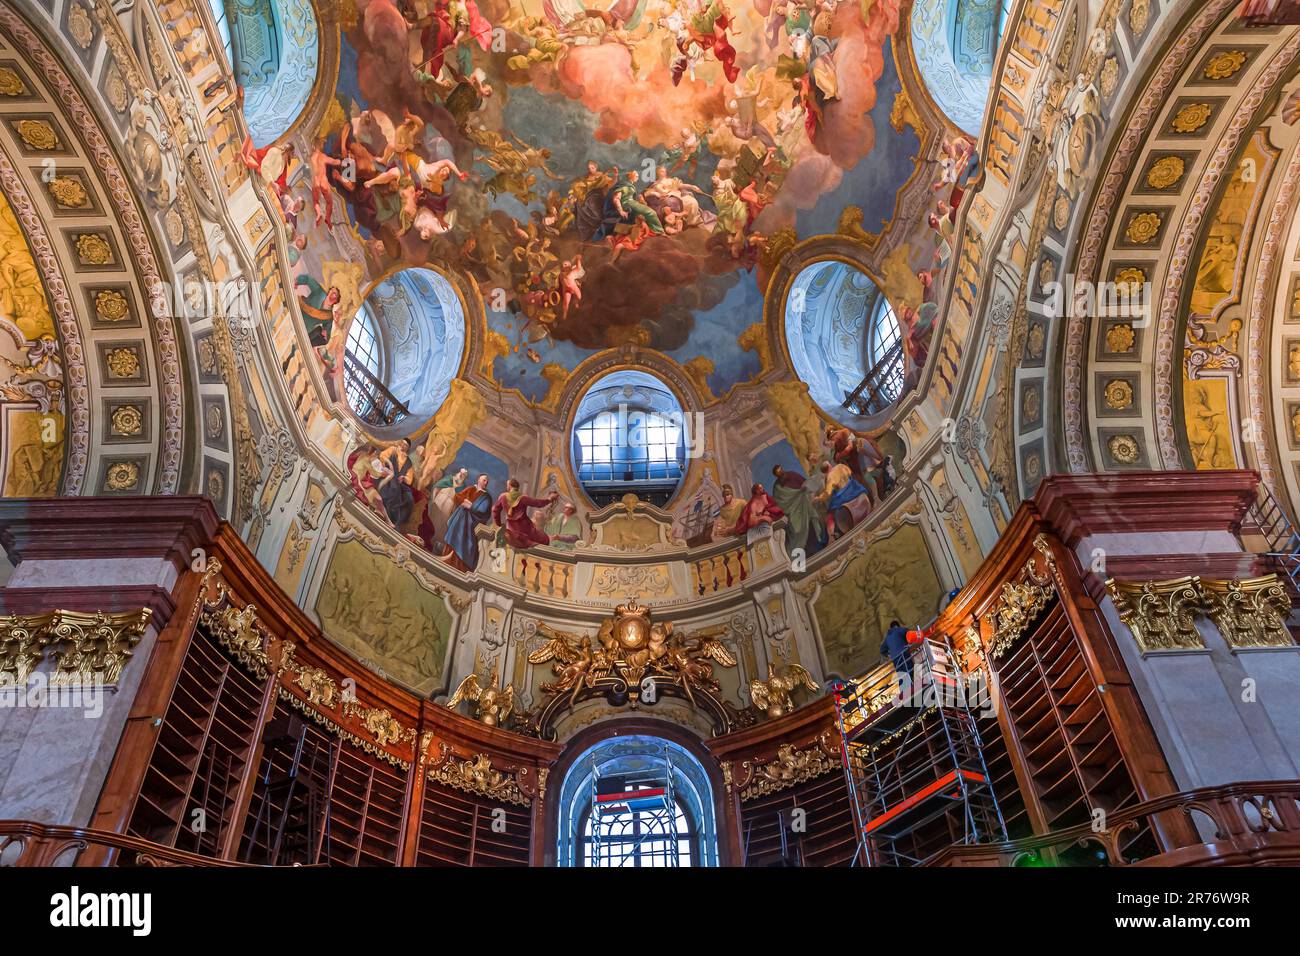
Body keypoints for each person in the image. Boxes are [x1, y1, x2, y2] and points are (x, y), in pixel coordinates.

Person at [770, 464, 826, 555]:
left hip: (804, 504)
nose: (781, 474)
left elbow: (805, 483)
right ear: (776, 476)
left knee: (812, 521)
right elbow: (779, 502)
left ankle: (819, 543)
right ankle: (805, 551)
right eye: (779, 474)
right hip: (792, 511)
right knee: (796, 529)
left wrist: (804, 490)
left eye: (781, 471)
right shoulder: (777, 487)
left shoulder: (792, 474)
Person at [441, 474, 491, 572]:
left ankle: (459, 566)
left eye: (487, 481)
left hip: (471, 524)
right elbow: (458, 497)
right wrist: (464, 501)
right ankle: (449, 558)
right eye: (484, 480)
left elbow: (484, 511)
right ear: (478, 480)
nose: (486, 482)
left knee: (466, 542)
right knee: (455, 530)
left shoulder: (486, 497)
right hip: (460, 518)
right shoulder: (471, 488)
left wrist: (471, 506)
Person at [492, 479, 559, 548]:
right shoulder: (523, 498)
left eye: (507, 485)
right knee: (544, 540)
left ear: (509, 486)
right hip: (525, 528)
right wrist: (549, 499)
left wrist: (499, 524)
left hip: (512, 528)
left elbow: (495, 510)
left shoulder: (503, 497)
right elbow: (538, 503)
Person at [879, 619, 912, 683]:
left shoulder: (887, 637)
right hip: (904, 654)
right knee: (909, 670)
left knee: (901, 675)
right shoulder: (899, 630)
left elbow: (882, 649)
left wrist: (889, 655)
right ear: (897, 626)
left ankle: (904, 690)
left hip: (895, 659)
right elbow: (908, 632)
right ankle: (913, 685)